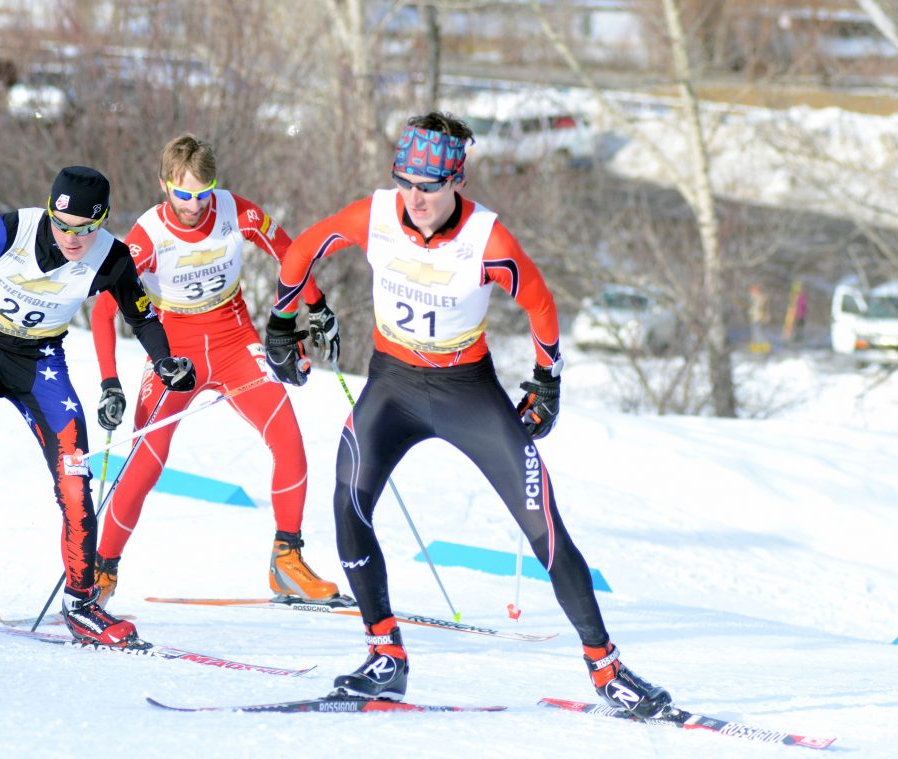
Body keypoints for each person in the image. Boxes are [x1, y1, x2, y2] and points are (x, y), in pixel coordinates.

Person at [264, 112, 672, 716]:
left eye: (429, 186)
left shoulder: (487, 239)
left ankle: (607, 667)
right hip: (393, 386)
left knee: (545, 527)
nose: (415, 198)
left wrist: (547, 381)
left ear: (456, 179)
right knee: (348, 504)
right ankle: (385, 656)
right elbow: (300, 252)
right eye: (406, 182)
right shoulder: (375, 215)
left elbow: (540, 303)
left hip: (468, 393)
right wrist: (282, 323)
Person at [0, 166, 197, 647]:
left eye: (86, 228)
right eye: (63, 225)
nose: (73, 238)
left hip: (40, 362)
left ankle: (81, 604)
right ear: (50, 212)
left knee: (75, 474)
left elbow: (142, 316)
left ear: (103, 221)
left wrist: (166, 361)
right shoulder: (8, 230)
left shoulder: (112, 258)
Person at [88, 134, 342, 605]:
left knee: (289, 439)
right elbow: (103, 312)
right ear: (164, 185)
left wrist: (317, 305)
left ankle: (287, 561)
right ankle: (101, 572)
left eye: (203, 193)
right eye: (183, 194)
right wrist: (109, 383)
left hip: (233, 342)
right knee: (145, 464)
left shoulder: (234, 211)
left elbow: (290, 252)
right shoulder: (147, 236)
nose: (194, 205)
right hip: (174, 354)